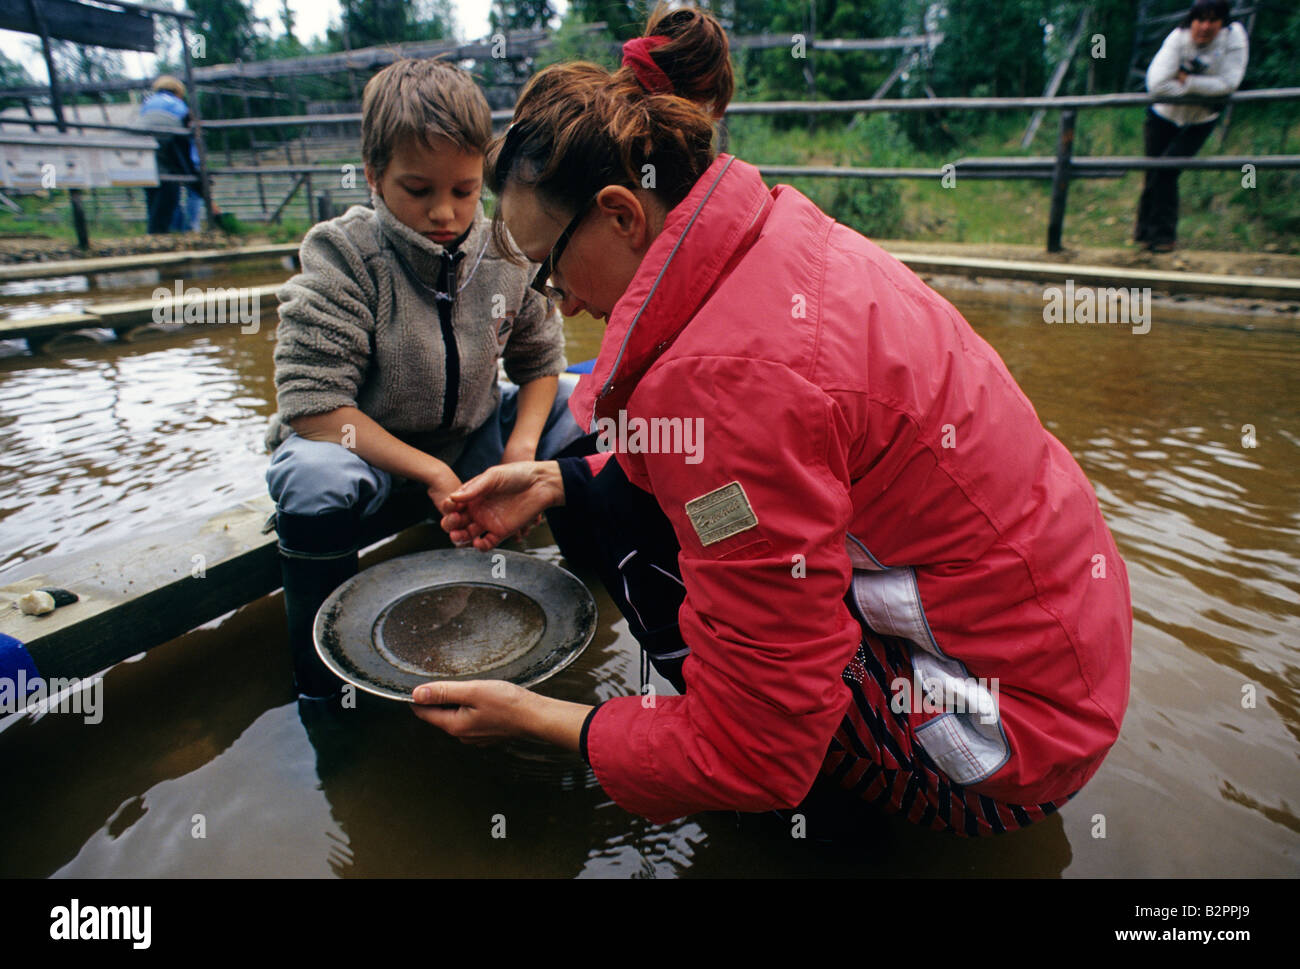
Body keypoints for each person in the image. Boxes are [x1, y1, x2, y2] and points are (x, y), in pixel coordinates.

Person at [414, 4, 1133, 837]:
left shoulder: (722, 387)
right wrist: (551, 478)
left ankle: (834, 827)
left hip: (1011, 740)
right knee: (607, 485)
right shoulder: (768, 234)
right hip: (1062, 657)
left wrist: (537, 717)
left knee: (659, 562)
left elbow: (757, 748)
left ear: (620, 213)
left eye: (550, 267)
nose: (558, 299)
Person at [264, 57, 582, 699]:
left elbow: (541, 360)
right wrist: (434, 474)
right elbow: (313, 405)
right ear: (375, 177)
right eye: (418, 190)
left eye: (464, 191)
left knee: (587, 406)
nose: (445, 212)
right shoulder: (344, 255)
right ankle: (325, 683)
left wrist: (521, 455)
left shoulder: (503, 250)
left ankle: (582, 591)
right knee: (312, 478)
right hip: (369, 453)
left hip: (472, 435)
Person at [1135, 0, 1248, 252]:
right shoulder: (1177, 38)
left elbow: (1229, 83)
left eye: (1213, 20)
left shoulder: (1235, 39)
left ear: (1223, 22)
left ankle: (1164, 237)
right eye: (1201, 19)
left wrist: (1189, 82)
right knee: (1152, 172)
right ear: (1192, 20)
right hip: (1163, 114)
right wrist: (1207, 88)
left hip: (1201, 119)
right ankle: (1144, 235)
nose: (1206, 26)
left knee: (1168, 170)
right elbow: (1157, 85)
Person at [138, 76, 205, 234]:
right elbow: (188, 134)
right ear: (178, 92)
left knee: (157, 192)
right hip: (172, 148)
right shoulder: (178, 104)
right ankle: (190, 227)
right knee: (190, 187)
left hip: (150, 152)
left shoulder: (147, 103)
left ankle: (172, 228)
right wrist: (195, 163)